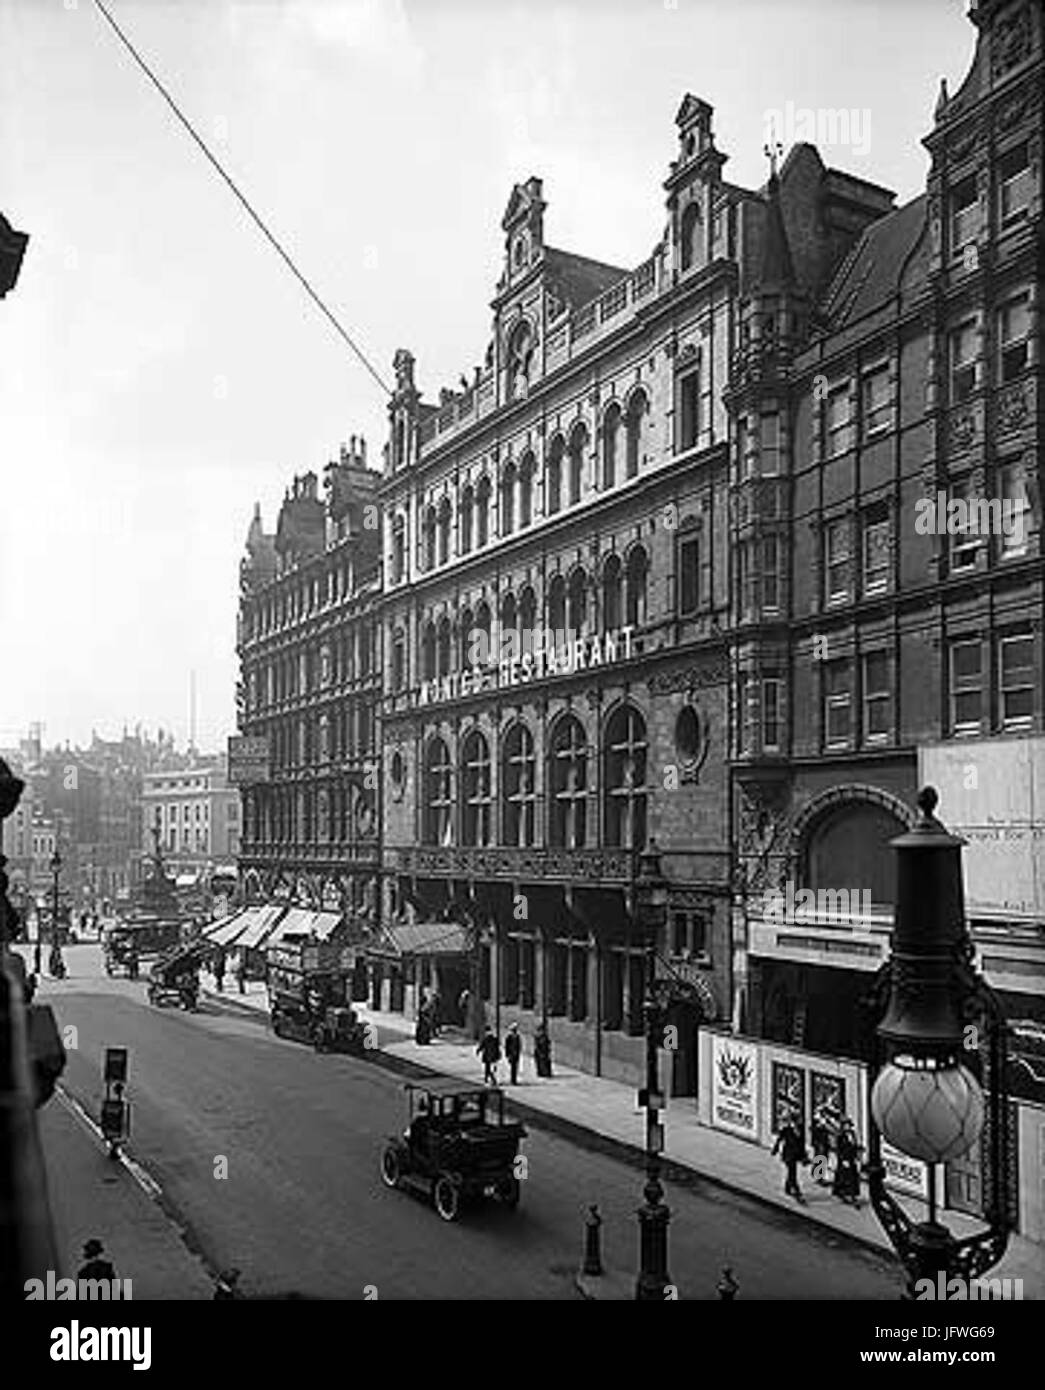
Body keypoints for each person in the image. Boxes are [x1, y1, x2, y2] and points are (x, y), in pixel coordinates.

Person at [772, 1116, 807, 1203]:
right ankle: (796, 1190)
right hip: (788, 1155)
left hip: (796, 1155)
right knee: (792, 1172)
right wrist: (775, 1150)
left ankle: (787, 1188)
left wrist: (803, 1156)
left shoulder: (801, 1130)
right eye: (798, 1121)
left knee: (791, 1172)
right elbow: (779, 1139)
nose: (799, 1123)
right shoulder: (786, 1130)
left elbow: (801, 1144)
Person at [833, 1119, 862, 1206]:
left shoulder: (853, 1134)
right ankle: (844, 1193)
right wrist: (843, 1160)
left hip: (851, 1158)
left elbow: (855, 1145)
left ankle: (853, 1195)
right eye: (846, 1125)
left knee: (853, 1177)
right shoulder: (840, 1136)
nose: (848, 1127)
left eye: (849, 1125)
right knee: (844, 1177)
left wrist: (857, 1155)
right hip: (844, 1159)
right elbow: (839, 1149)